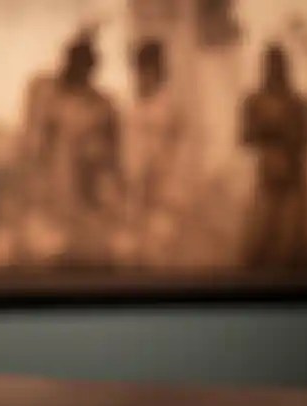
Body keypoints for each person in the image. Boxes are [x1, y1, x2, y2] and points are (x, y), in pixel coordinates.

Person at [21, 30, 122, 266]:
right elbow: (33, 146)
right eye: (76, 63)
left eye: (86, 66)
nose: (81, 72)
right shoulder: (46, 94)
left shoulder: (101, 106)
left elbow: (112, 156)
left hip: (89, 197)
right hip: (51, 195)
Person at [240, 44, 307, 268]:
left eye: (278, 66)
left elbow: (305, 139)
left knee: (290, 248)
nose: (273, 72)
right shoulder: (254, 101)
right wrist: (269, 131)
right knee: (259, 245)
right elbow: (246, 136)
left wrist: (282, 134)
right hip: (264, 180)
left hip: (293, 181)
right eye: (270, 66)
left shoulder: (299, 104)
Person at [124, 39, 186, 267]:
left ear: (159, 72)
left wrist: (160, 184)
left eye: (148, 70)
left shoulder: (169, 108)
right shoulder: (133, 108)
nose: (141, 77)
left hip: (164, 198)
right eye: (138, 70)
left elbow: (176, 158)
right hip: (134, 199)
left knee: (157, 256)